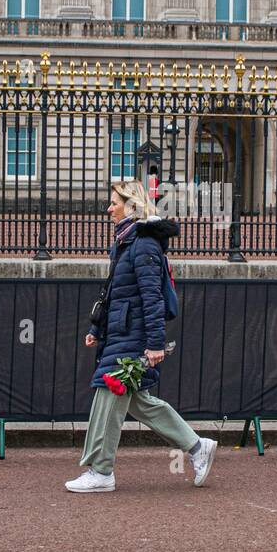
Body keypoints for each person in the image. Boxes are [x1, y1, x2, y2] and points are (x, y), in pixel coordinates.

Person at [65, 179, 217, 493]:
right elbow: (117, 294)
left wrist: (155, 344)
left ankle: (101, 471)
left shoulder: (142, 244)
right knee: (139, 403)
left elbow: (152, 299)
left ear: (131, 205)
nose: (108, 208)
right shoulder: (127, 242)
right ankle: (196, 446)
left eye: (114, 202)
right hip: (121, 333)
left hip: (131, 338)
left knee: (109, 395)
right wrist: (98, 329)